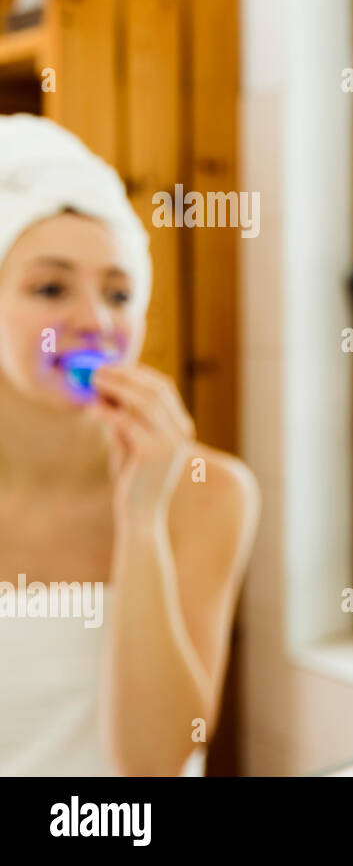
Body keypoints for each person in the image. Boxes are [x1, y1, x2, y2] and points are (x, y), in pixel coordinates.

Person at [0, 113, 258, 775]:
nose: (93, 321)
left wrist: (142, 519)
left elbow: (156, 766)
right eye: (50, 287)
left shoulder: (210, 492)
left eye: (119, 293)